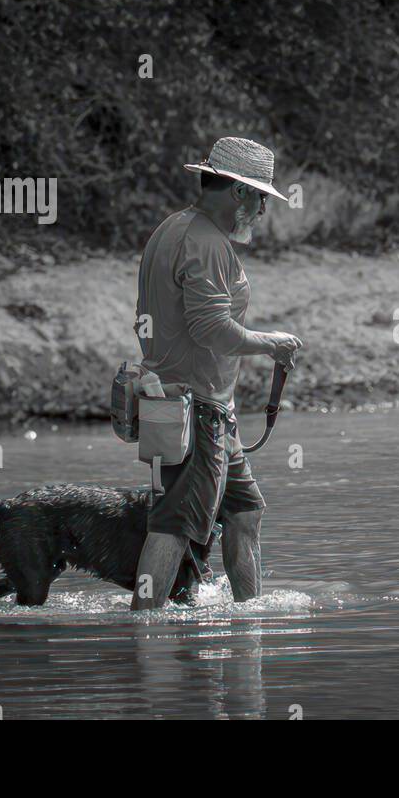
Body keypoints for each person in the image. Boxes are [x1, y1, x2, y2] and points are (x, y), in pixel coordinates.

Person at [131, 137, 302, 610]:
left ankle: (249, 623)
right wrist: (274, 343)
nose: (265, 208)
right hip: (194, 410)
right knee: (173, 525)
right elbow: (211, 330)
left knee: (246, 513)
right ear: (239, 192)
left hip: (196, 408)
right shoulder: (205, 243)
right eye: (261, 195)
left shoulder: (175, 228)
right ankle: (143, 631)